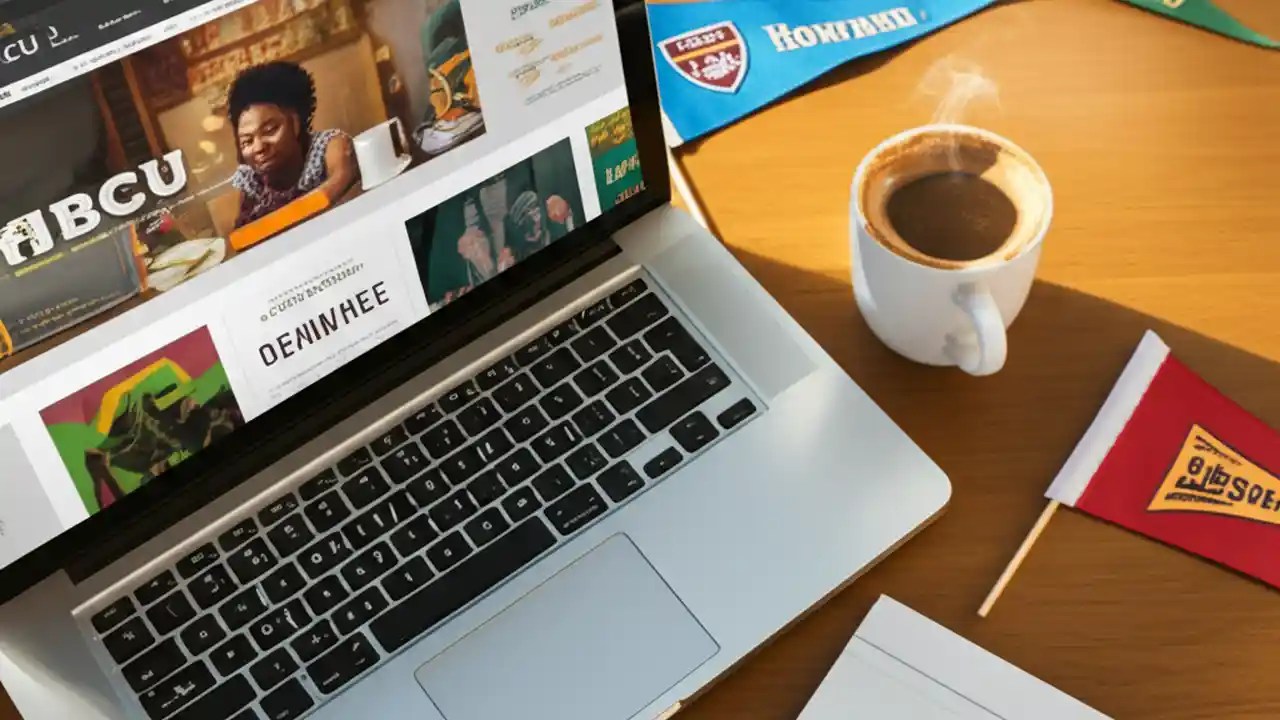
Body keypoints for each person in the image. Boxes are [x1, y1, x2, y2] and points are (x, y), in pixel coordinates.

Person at [227, 62, 360, 229]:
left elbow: (341, 179)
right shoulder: (249, 179)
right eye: (247, 141)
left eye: (269, 130)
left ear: (295, 123)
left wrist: (270, 223)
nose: (259, 147)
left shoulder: (328, 146)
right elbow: (240, 232)